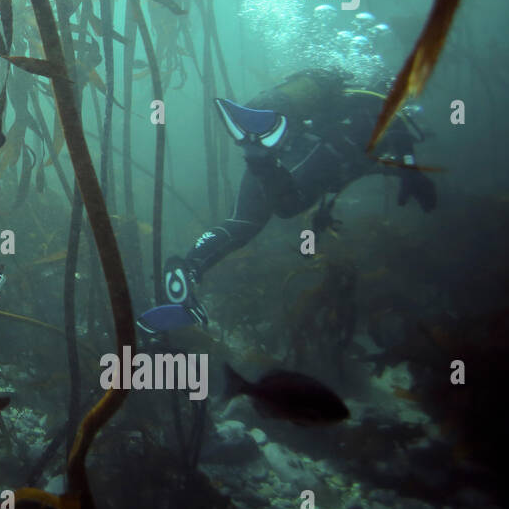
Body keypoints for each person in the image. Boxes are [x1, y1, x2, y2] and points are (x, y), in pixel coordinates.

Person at [140, 68, 436, 333]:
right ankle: (260, 156)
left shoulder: (351, 109)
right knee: (287, 206)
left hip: (283, 158)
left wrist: (327, 208)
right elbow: (393, 132)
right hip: (300, 162)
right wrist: (412, 171)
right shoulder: (376, 107)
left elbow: (360, 167)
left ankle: (188, 266)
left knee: (240, 225)